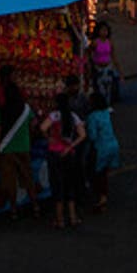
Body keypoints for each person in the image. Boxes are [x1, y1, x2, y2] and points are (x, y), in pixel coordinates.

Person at [0, 65, 37, 220]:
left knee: (10, 181)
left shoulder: (0, 110)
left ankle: (13, 209)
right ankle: (35, 205)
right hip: (24, 146)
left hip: (7, 148)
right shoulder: (26, 109)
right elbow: (33, 124)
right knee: (28, 177)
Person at [44, 94, 88, 229]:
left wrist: (49, 138)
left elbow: (42, 128)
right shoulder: (73, 116)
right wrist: (70, 146)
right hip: (69, 154)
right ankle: (73, 217)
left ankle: (60, 219)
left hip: (55, 153)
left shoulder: (54, 116)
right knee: (69, 184)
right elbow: (82, 135)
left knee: (57, 185)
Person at [84, 88, 120, 212]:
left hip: (101, 148)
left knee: (95, 173)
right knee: (103, 174)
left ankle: (100, 198)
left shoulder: (92, 117)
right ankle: (103, 196)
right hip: (112, 145)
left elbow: (92, 136)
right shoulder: (106, 112)